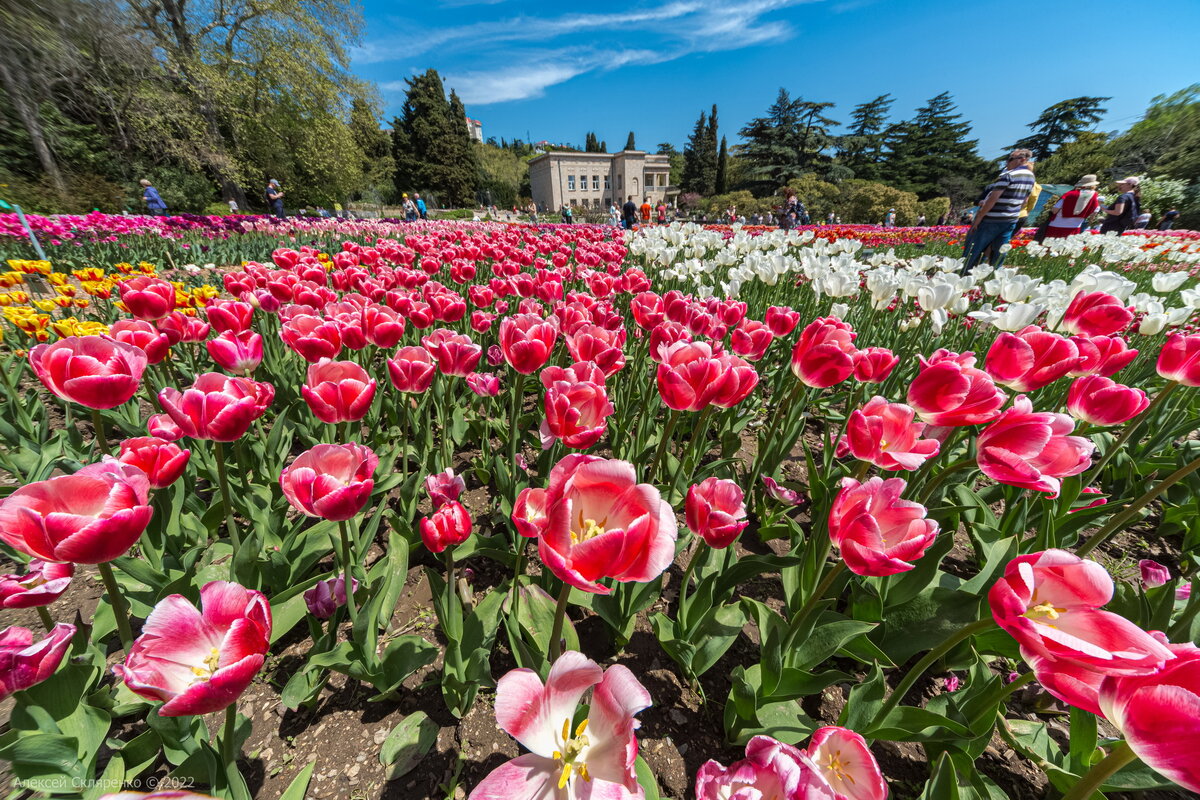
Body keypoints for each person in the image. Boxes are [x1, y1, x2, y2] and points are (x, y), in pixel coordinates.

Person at [960, 149, 1036, 273]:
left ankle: (964, 274)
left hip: (991, 219)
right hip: (1011, 219)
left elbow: (992, 199)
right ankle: (994, 276)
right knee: (1000, 251)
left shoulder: (1008, 176)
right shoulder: (1031, 177)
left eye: (1010, 159)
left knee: (973, 249)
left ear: (1022, 160)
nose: (1007, 162)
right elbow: (1024, 201)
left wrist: (978, 218)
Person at [1043, 175, 1102, 239]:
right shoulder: (1094, 196)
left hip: (1057, 225)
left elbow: (1055, 210)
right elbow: (1095, 210)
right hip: (1075, 227)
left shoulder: (1070, 194)